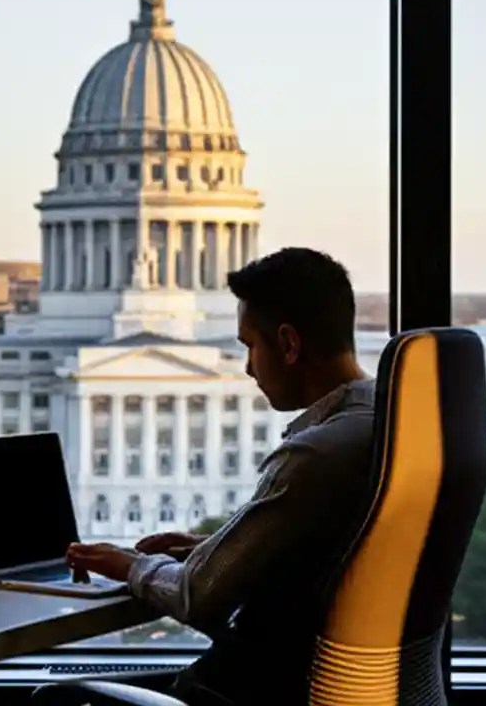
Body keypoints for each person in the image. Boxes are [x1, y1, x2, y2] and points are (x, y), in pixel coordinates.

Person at [65, 247, 377, 704]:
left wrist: (125, 563)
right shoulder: (386, 424)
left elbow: (198, 596)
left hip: (252, 691)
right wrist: (216, 549)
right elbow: (324, 562)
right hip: (324, 684)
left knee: (57, 698)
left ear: (289, 345)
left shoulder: (316, 454)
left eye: (250, 346)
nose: (248, 368)